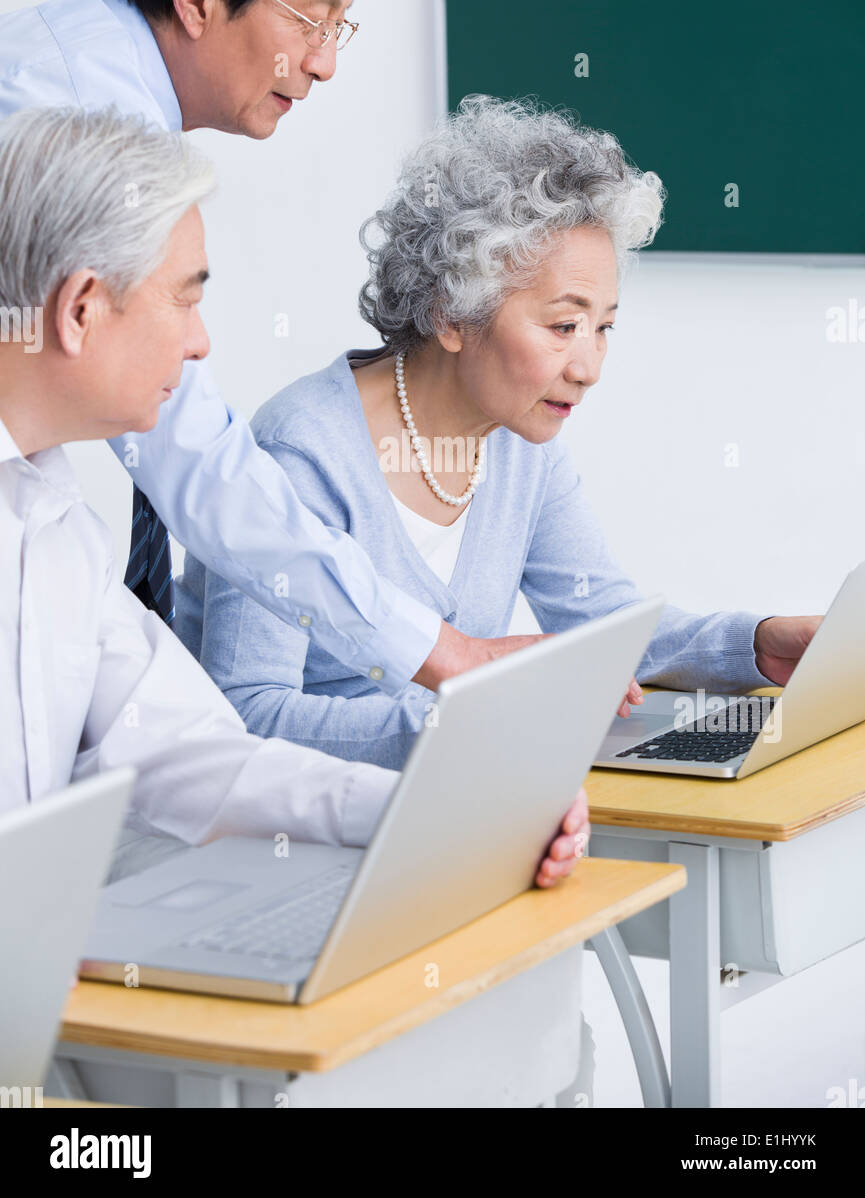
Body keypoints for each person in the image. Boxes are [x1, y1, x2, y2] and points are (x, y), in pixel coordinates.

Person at [0, 0, 538, 722]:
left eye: (341, 27)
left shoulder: (89, 73)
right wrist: (435, 652)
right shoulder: (80, 117)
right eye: (311, 19)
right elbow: (195, 459)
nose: (325, 62)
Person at [0, 102, 585, 889]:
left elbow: (193, 758)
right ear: (79, 311)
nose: (200, 341)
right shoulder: (305, 437)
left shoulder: (57, 527)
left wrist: (437, 814)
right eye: (184, 297)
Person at [178, 95, 821, 771]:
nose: (589, 367)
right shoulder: (304, 450)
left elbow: (603, 623)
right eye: (563, 327)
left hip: (450, 811)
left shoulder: (518, 438)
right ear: (453, 313)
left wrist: (755, 643)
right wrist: (462, 719)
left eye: (604, 328)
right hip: (303, 836)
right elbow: (250, 711)